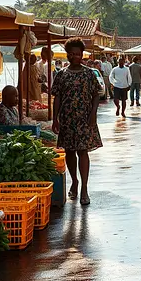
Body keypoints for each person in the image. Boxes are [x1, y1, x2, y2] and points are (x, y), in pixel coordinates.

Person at [51, 38, 102, 206]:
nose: (75, 57)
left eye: (78, 54)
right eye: (72, 54)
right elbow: (57, 97)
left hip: (85, 119)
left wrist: (93, 114)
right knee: (70, 152)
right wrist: (55, 118)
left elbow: (96, 94)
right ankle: (74, 181)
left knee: (83, 152)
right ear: (68, 55)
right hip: (67, 119)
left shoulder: (89, 73)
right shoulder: (61, 74)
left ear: (82, 55)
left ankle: (85, 189)